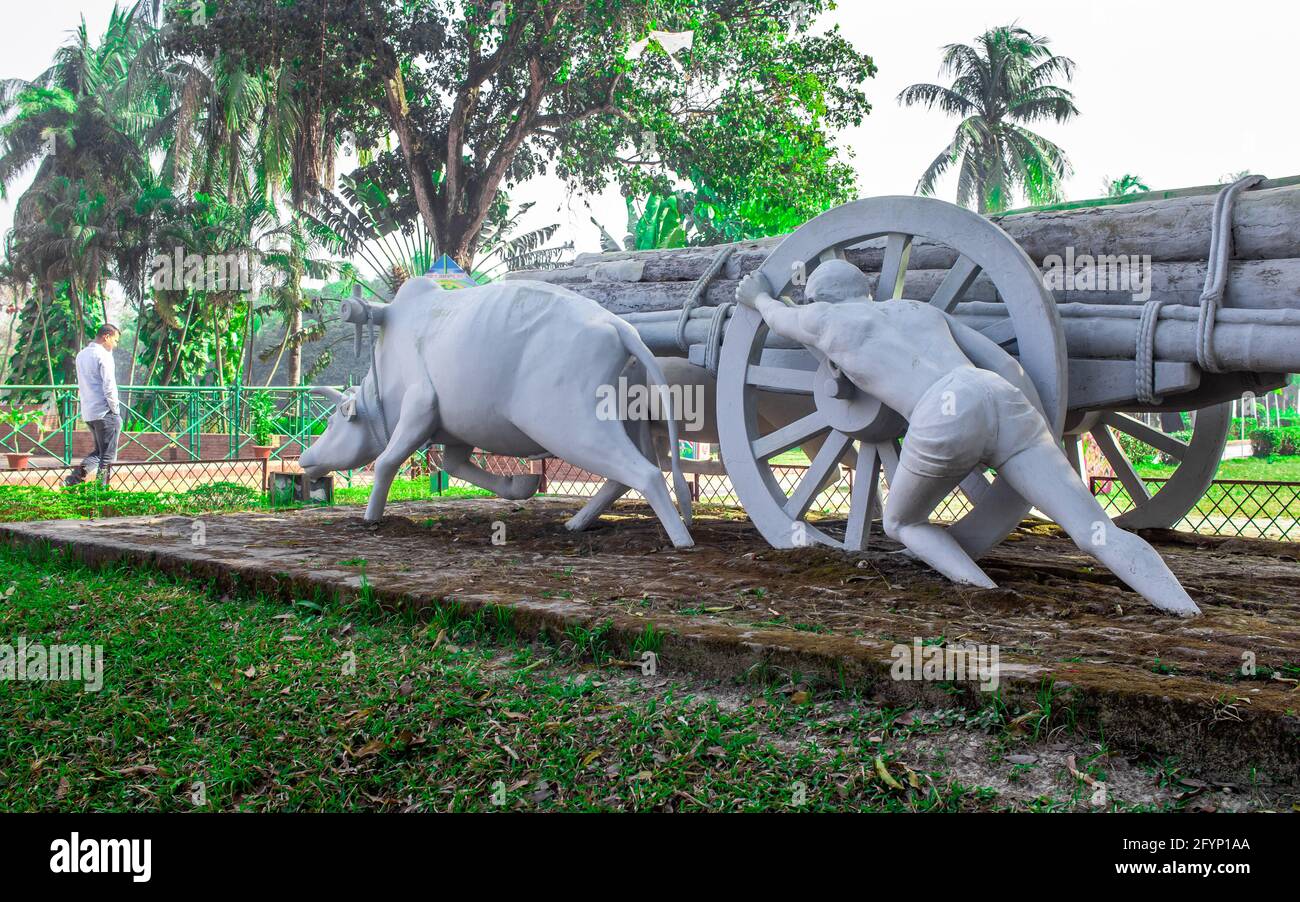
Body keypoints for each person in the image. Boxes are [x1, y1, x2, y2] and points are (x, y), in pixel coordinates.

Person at [736, 261, 1199, 616]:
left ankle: (984, 594)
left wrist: (756, 297)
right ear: (868, 292)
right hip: (1000, 396)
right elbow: (1002, 364)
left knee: (902, 523)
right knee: (1095, 530)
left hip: (941, 410)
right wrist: (1038, 425)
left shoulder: (825, 320)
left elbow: (778, 318)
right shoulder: (920, 310)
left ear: (820, 299)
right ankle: (1184, 609)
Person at [65, 324, 123, 487]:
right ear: (106, 336)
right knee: (108, 457)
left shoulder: (81, 355)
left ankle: (73, 480)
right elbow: (109, 387)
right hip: (105, 412)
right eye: (115, 340)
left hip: (89, 412)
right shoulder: (104, 356)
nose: (115, 345)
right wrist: (115, 411)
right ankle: (101, 491)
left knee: (98, 453)